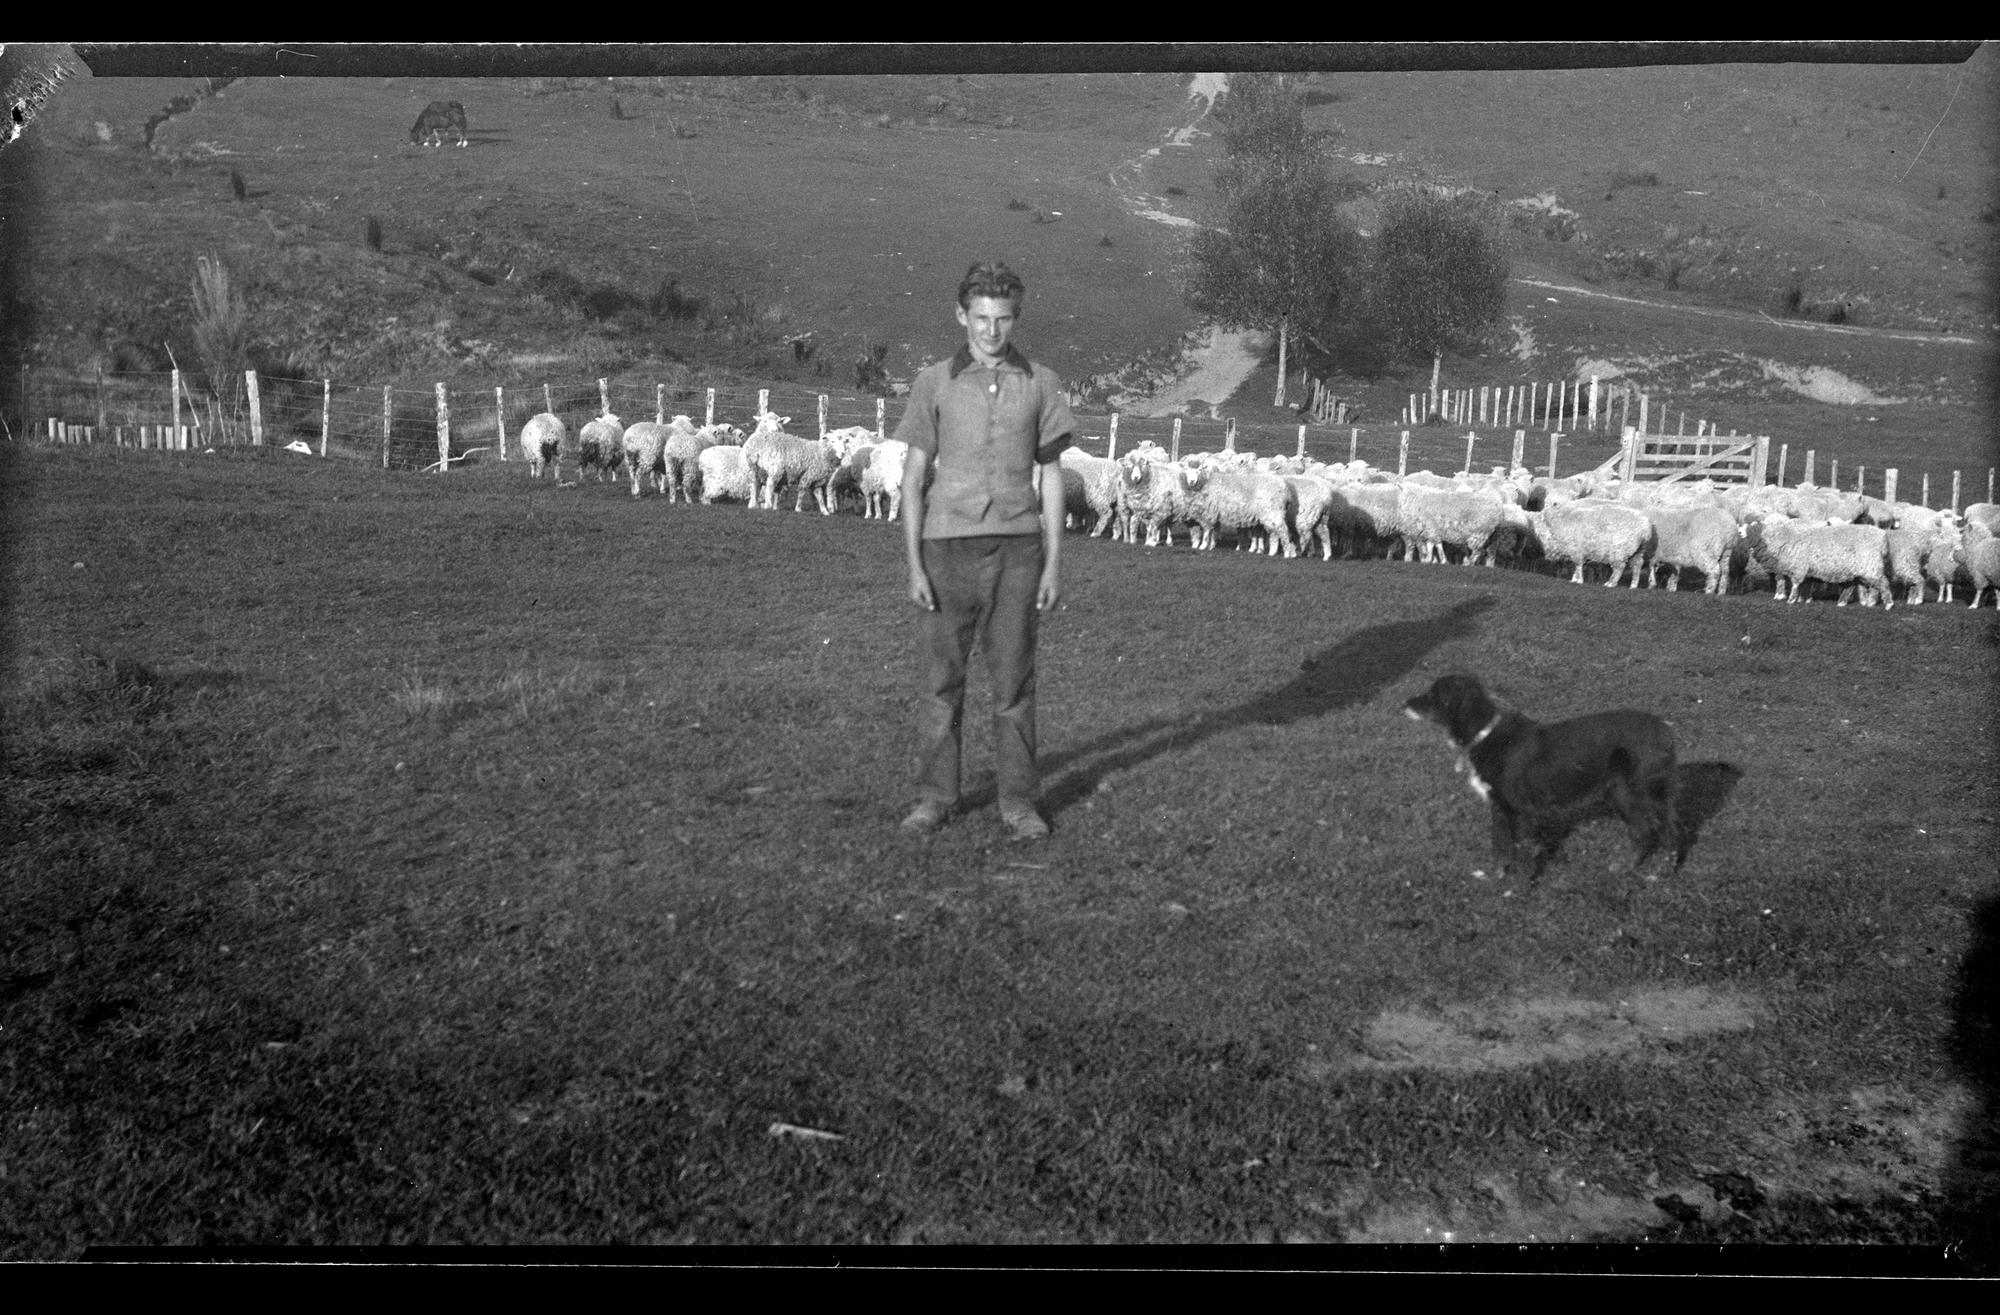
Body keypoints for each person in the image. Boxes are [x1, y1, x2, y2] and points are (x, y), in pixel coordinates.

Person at [894, 261, 1076, 840]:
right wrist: (914, 564)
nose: (991, 332)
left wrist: (1053, 561)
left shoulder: (1041, 383)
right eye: (980, 319)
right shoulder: (933, 383)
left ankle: (1019, 804)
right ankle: (933, 798)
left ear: (1015, 318)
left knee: (1014, 684)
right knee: (941, 683)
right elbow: (912, 476)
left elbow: (1051, 477)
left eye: (1002, 320)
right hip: (946, 551)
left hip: (1018, 552)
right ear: (961, 315)